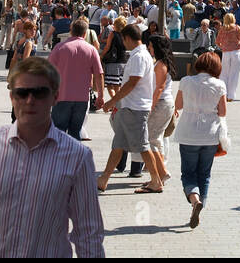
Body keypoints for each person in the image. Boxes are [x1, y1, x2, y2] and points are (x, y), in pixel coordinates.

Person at [0, 57, 104, 257]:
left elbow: (88, 231)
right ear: (12, 97)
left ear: (55, 96)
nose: (30, 100)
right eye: (22, 93)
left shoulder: (77, 157)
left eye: (40, 93)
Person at [97, 23, 155, 193]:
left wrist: (112, 101)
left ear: (128, 38)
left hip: (135, 107)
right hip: (131, 107)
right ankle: (104, 179)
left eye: (123, 39)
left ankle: (157, 180)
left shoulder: (139, 57)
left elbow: (132, 82)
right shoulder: (140, 55)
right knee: (119, 144)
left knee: (142, 146)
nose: (123, 43)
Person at [175, 51, 228, 228]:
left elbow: (178, 105)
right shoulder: (220, 85)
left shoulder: (186, 81)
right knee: (204, 174)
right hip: (209, 135)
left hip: (188, 133)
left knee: (188, 173)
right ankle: (199, 207)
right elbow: (222, 112)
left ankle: (194, 199)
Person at [48, 18, 104, 140]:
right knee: (75, 132)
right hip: (81, 98)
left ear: (71, 31)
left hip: (61, 96)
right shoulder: (91, 50)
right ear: (85, 33)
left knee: (58, 132)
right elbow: (99, 74)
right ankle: (74, 157)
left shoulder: (59, 47)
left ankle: (58, 158)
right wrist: (100, 96)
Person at [141, 34, 179, 194]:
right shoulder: (162, 63)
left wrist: (151, 106)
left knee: (151, 140)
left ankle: (162, 173)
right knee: (154, 139)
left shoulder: (160, 65)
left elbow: (159, 88)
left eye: (150, 45)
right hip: (164, 104)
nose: (148, 48)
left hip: (160, 105)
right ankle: (158, 175)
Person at [216, 12, 240, 101]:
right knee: (234, 74)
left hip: (225, 52)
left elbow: (217, 41)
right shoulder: (237, 28)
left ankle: (223, 94)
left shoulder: (222, 29)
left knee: (224, 73)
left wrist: (222, 47)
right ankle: (231, 96)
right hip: (235, 52)